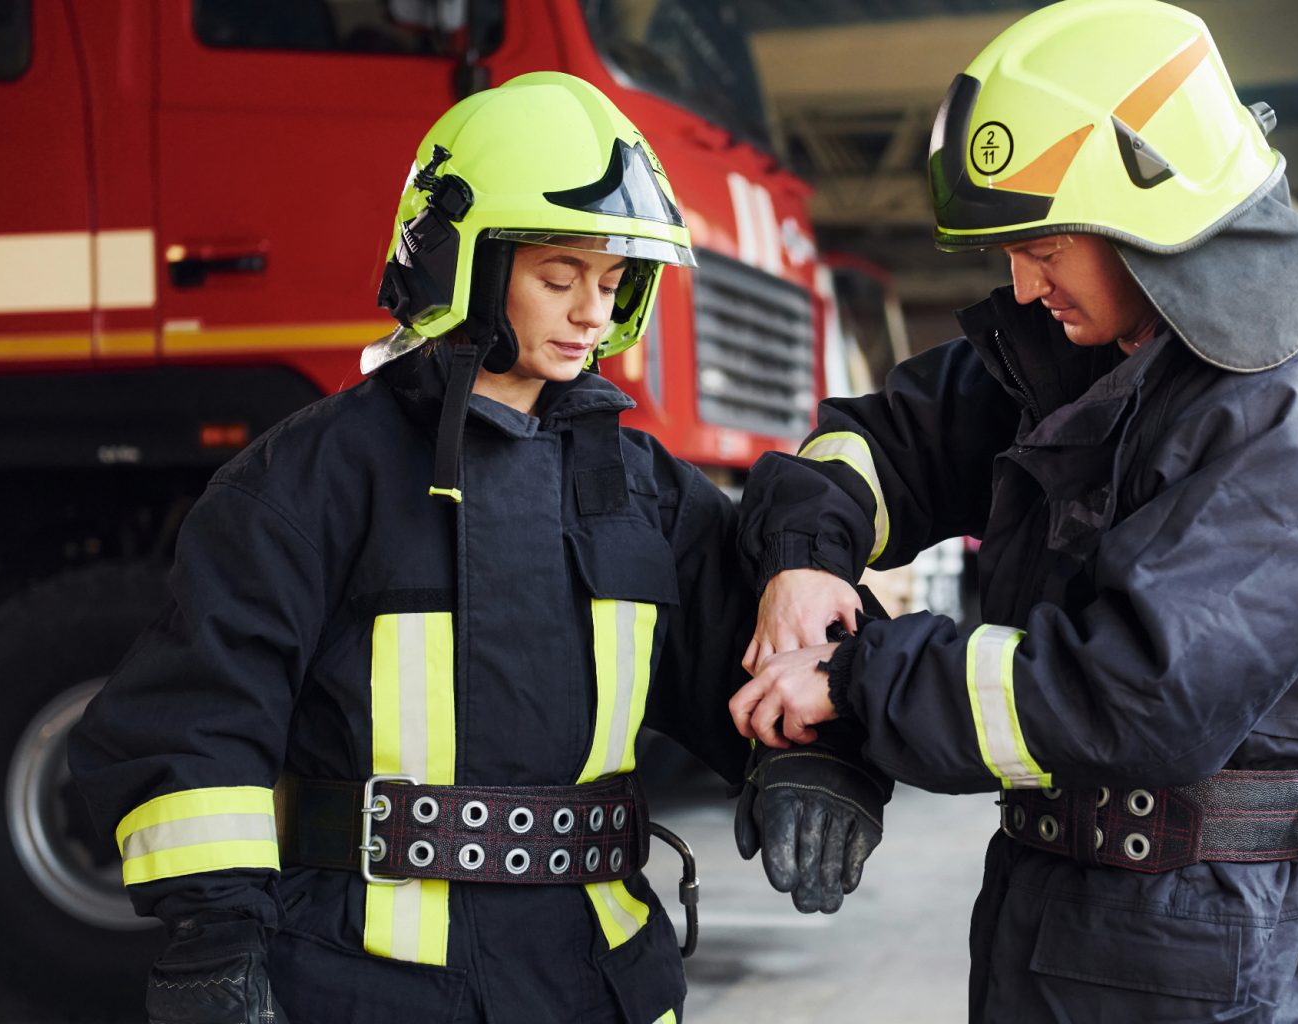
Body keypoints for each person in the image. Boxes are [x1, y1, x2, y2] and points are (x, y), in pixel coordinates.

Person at [69, 72, 884, 1024]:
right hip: (368, 986)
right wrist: (214, 939)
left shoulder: (647, 489)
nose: (591, 313)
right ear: (460, 260)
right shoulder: (311, 480)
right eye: (559, 277)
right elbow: (196, 718)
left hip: (605, 987)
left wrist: (815, 763)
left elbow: (762, 664)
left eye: (613, 282)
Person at [729, 2, 1298, 1021]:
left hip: (1200, 942)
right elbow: (884, 442)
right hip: (1051, 909)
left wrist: (856, 681)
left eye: (1045, 243)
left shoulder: (1291, 435)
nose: (1021, 282)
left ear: (1152, 217)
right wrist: (806, 559)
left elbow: (1132, 696)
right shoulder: (1080, 361)